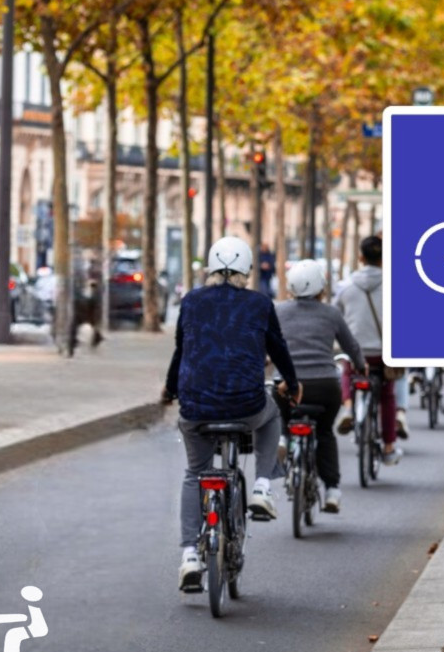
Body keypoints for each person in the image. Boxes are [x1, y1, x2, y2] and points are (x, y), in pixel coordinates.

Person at [162, 235, 301, 591]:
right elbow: (278, 347)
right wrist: (292, 382)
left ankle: (189, 555)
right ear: (248, 270)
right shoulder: (260, 303)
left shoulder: (191, 301)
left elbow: (181, 350)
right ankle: (261, 486)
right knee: (272, 415)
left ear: (210, 268)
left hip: (196, 408)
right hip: (246, 405)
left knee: (195, 472)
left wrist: (170, 390)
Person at [275, 259, 365, 514]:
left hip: (288, 386)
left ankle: (284, 438)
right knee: (325, 432)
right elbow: (350, 346)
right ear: (321, 287)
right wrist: (360, 365)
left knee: (282, 414)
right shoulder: (331, 313)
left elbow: (264, 343)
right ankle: (333, 490)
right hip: (325, 386)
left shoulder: (279, 312)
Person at [333, 235, 403, 466]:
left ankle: (348, 408)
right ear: (384, 259)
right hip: (383, 354)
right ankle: (389, 448)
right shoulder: (395, 285)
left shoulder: (346, 287)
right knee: (387, 395)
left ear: (361, 257)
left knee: (348, 369)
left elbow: (335, 317)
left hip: (358, 353)